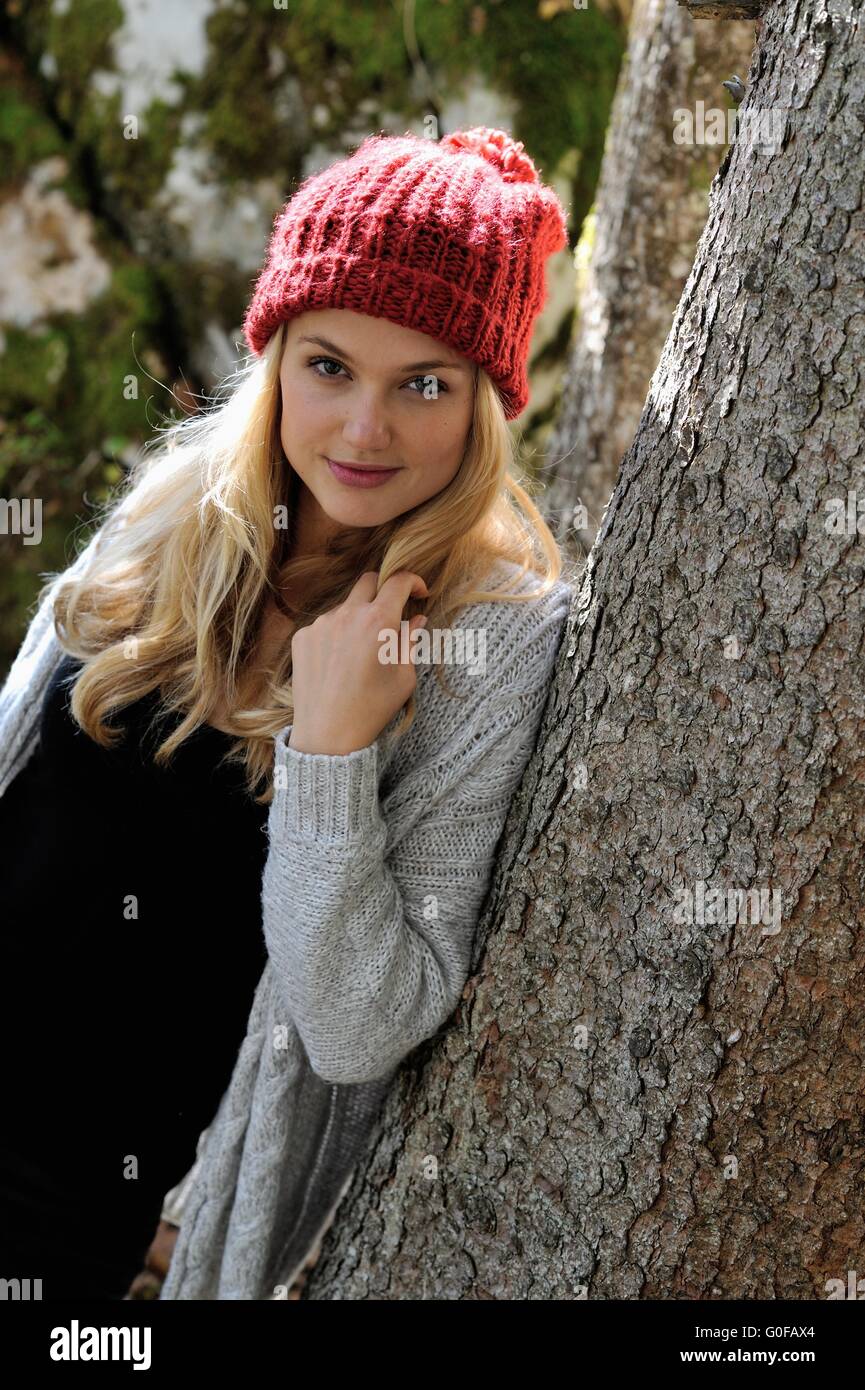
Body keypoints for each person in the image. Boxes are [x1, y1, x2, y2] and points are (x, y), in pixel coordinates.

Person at [0, 125, 578, 1301]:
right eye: (328, 367)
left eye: (423, 384)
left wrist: (329, 751)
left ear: (485, 407)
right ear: (274, 356)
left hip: (72, 1241)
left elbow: (364, 1025)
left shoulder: (495, 640)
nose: (364, 430)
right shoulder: (175, 515)